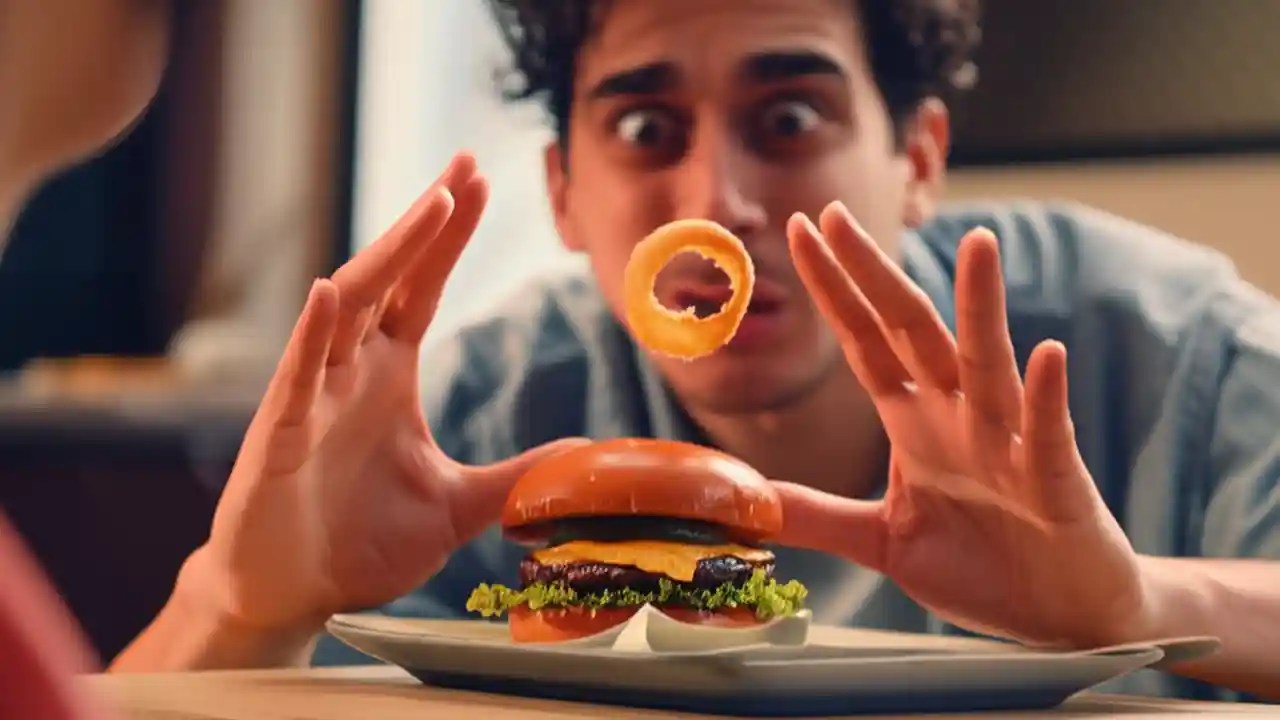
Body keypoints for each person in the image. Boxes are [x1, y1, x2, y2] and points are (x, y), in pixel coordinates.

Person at [109, 0, 1280, 705]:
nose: (715, 204)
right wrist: (243, 599)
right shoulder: (471, 420)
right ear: (563, 194)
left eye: (787, 120)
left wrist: (1139, 599)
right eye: (641, 129)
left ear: (917, 157)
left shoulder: (1168, 349)